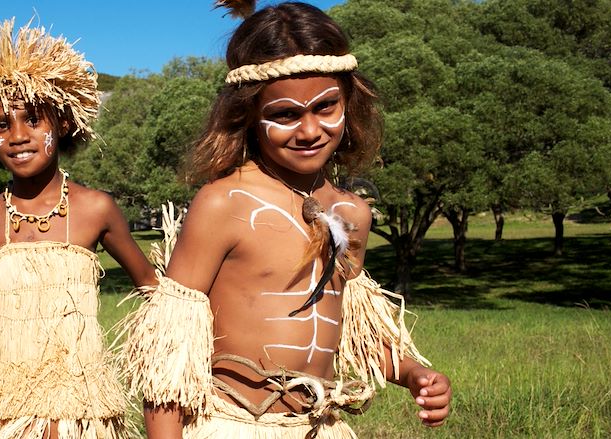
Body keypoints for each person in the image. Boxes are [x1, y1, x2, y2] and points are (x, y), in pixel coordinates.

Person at [120, 2, 452, 438]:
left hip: (319, 427)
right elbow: (169, 357)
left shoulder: (351, 212)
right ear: (247, 115)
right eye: (285, 114)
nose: (310, 131)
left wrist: (412, 373)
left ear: (349, 103)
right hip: (233, 426)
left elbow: (354, 329)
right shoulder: (224, 203)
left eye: (326, 107)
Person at [0, 19, 155, 439]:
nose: (18, 136)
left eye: (33, 120)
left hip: (82, 411)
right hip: (4, 412)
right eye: (1, 125)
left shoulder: (96, 209)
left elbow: (150, 288)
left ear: (62, 124)